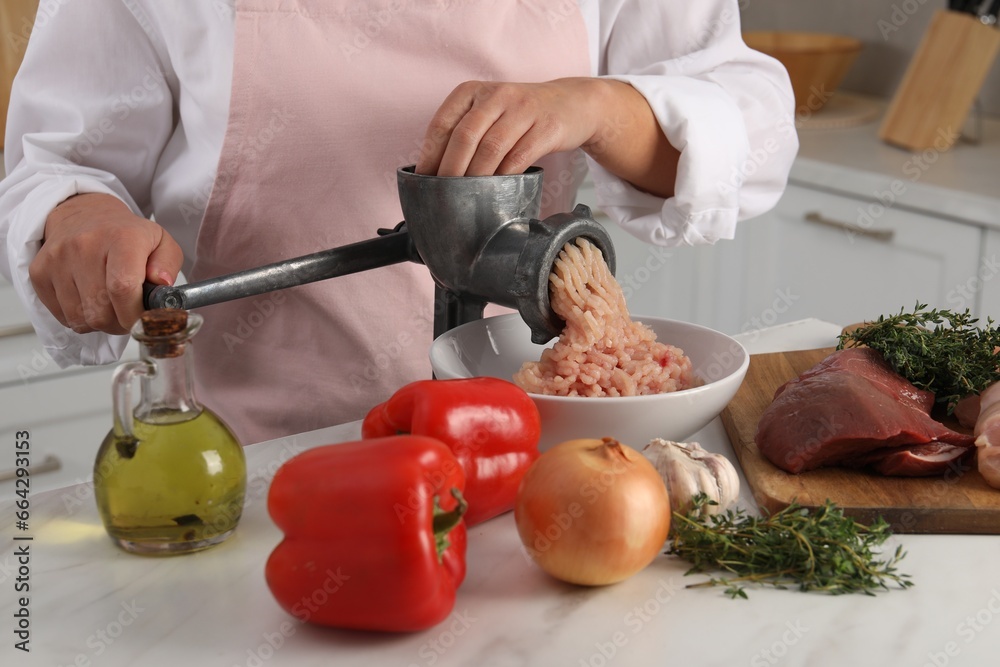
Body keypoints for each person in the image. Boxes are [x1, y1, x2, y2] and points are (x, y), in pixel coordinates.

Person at [0, 0, 798, 446]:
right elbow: (59, 160)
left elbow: (754, 129)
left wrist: (595, 104)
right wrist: (82, 217)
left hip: (538, 456)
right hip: (257, 460)